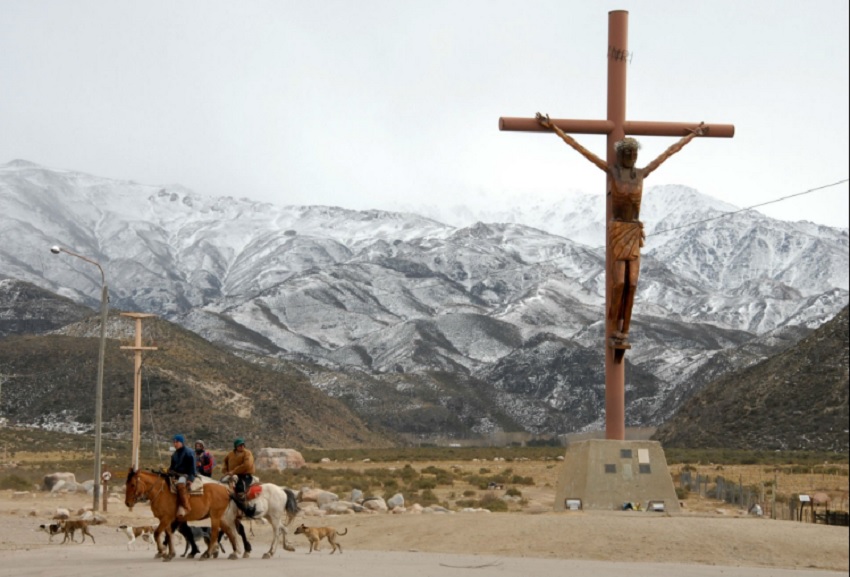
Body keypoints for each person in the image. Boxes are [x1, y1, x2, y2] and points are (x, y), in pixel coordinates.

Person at [535, 112, 705, 349]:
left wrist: (691, 137)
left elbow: (668, 153)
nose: (630, 157)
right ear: (620, 155)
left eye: (633, 154)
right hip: (617, 231)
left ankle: (625, 330)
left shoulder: (641, 174)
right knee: (618, 283)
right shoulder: (612, 172)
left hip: (633, 231)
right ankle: (614, 326)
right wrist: (554, 127)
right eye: (626, 154)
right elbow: (581, 149)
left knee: (632, 283)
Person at [168, 434, 196, 520]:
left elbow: (192, 467)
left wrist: (191, 479)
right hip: (175, 475)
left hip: (185, 475)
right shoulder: (174, 454)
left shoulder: (189, 452)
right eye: (174, 442)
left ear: (181, 442)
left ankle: (186, 507)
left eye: (177, 442)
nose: (175, 444)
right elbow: (172, 467)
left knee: (180, 485)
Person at [223, 438, 255, 505]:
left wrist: (234, 471)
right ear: (236, 446)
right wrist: (225, 471)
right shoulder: (230, 454)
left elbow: (247, 465)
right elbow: (225, 463)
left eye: (243, 445)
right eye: (240, 445)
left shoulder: (247, 453)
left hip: (244, 475)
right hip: (231, 475)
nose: (242, 446)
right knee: (221, 484)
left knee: (240, 488)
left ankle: (243, 506)